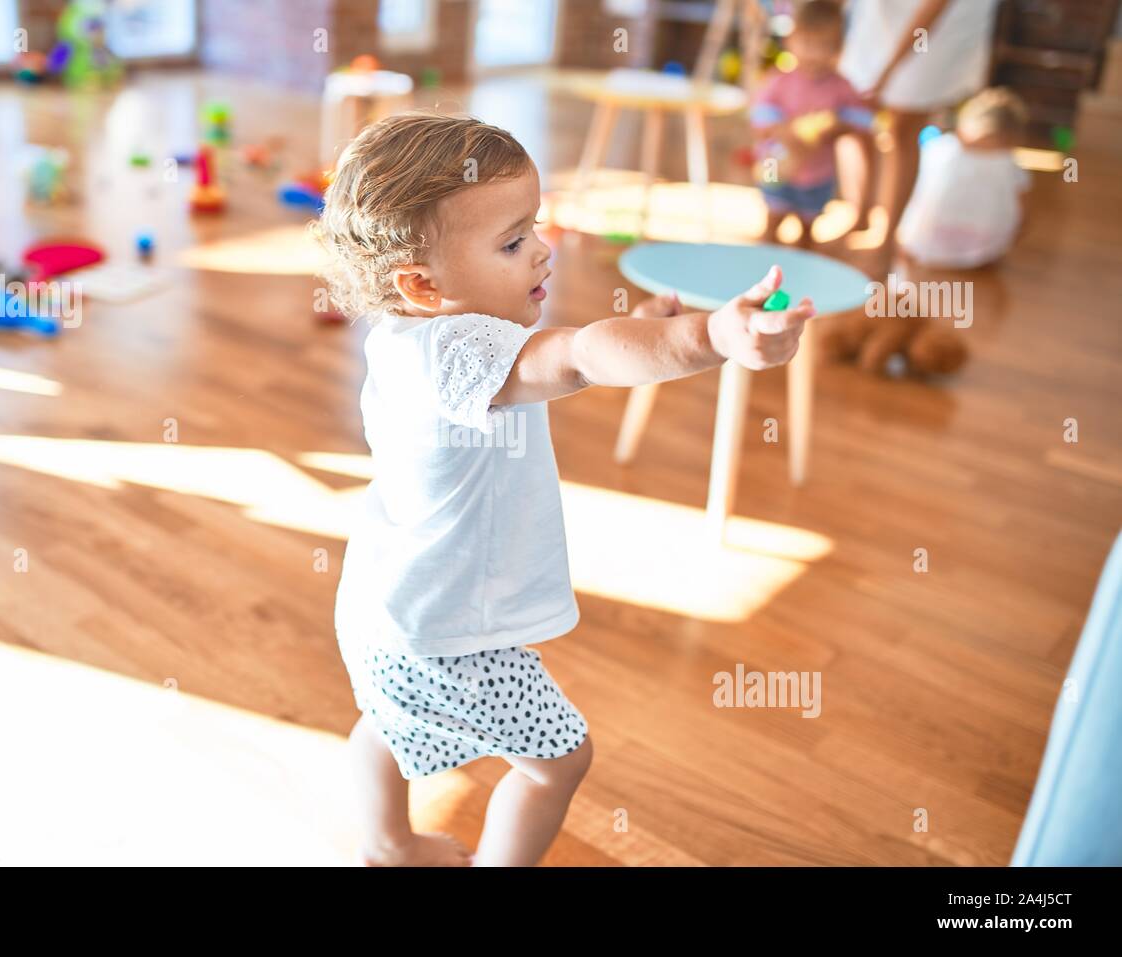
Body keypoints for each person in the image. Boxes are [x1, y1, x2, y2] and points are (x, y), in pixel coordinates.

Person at [311, 111, 814, 867]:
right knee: (558, 761)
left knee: (388, 720)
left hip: (385, 605)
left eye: (534, 226)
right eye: (513, 242)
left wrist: (644, 335)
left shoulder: (406, 337)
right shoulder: (459, 349)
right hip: (450, 633)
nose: (542, 248)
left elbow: (557, 364)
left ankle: (387, 844)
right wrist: (707, 338)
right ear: (421, 284)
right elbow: (578, 357)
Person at [836, 0, 1002, 254]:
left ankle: (887, 242)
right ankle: (860, 215)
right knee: (854, 114)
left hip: (935, 30)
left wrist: (887, 72)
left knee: (903, 129)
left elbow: (933, 9)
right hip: (884, 19)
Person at [750, 0, 875, 247]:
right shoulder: (781, 80)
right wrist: (782, 130)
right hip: (779, 168)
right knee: (772, 222)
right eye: (808, 44)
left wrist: (837, 125)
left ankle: (802, 276)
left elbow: (861, 120)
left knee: (808, 230)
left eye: (825, 46)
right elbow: (760, 112)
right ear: (791, 42)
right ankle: (764, 274)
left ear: (839, 48)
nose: (815, 54)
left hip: (817, 174)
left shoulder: (842, 86)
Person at [897, 88, 1030, 268]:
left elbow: (913, 190)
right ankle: (980, 254)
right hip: (983, 246)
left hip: (928, 239)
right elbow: (1023, 212)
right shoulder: (1010, 164)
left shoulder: (939, 148)